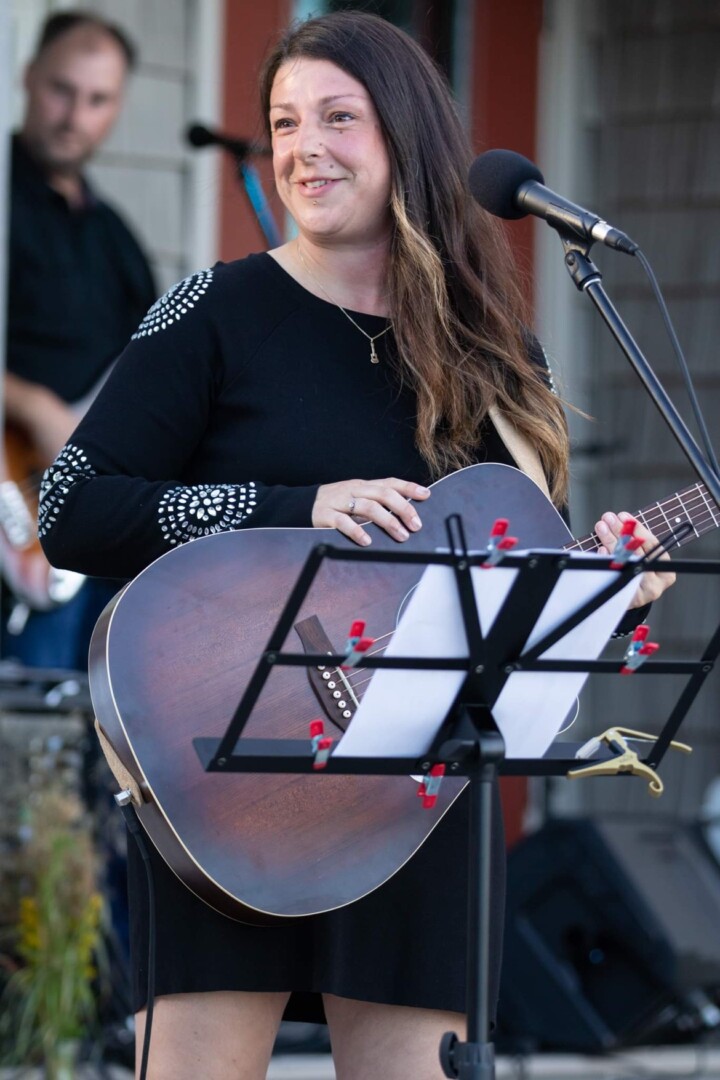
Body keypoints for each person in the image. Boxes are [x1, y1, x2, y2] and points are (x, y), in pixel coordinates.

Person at [38, 12, 675, 1078]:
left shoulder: (492, 351)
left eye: (339, 117)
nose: (302, 148)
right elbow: (69, 503)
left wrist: (604, 596)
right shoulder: (214, 311)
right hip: (229, 772)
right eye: (286, 122)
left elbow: (507, 592)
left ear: (406, 138)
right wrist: (293, 503)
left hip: (410, 803)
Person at [2, 10, 156, 669]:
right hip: (14, 497)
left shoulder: (115, 237)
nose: (74, 116)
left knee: (95, 708)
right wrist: (34, 407)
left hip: (88, 521)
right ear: (28, 76)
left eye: (97, 100)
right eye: (62, 90)